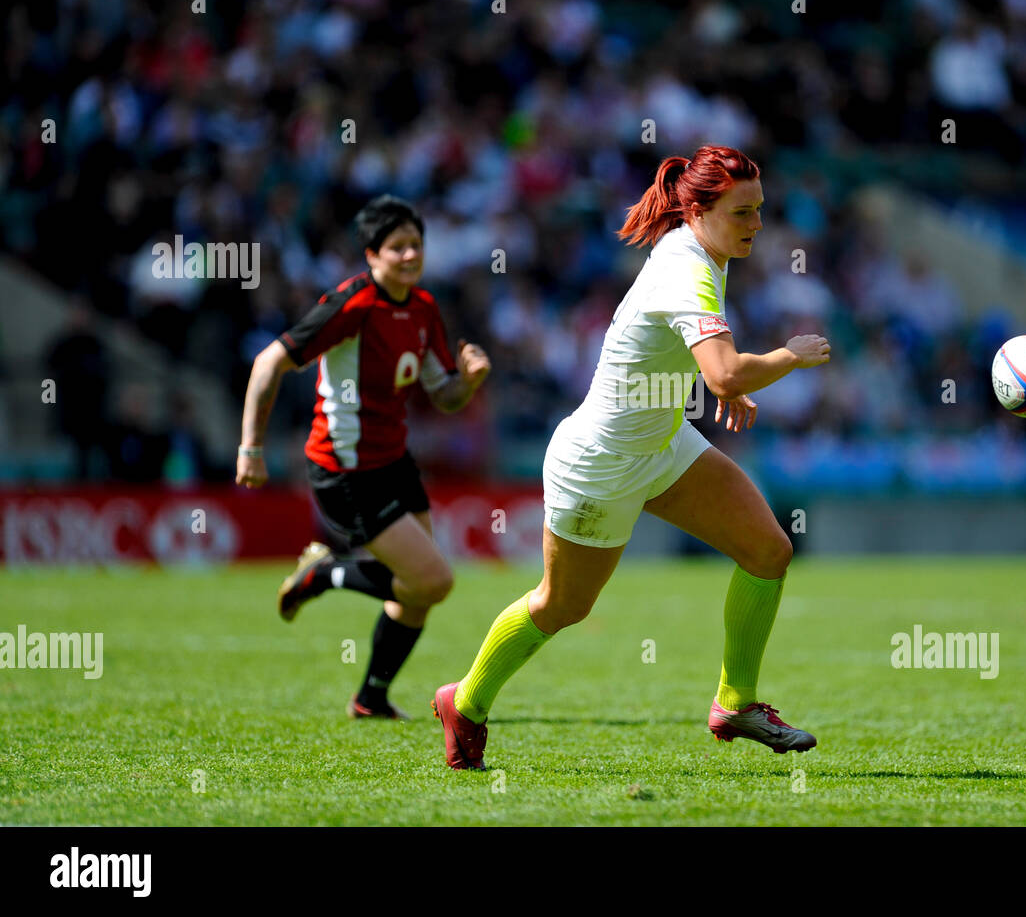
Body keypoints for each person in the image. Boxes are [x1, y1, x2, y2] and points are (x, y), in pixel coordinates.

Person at [432, 145, 831, 769]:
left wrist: (727, 384)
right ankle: (466, 700)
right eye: (743, 212)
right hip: (601, 463)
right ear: (697, 211)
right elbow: (724, 374)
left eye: (759, 209)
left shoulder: (706, 250)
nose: (757, 224)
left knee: (769, 551)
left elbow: (697, 365)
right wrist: (788, 356)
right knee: (562, 606)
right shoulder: (688, 267)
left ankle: (736, 703)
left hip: (662, 443)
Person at [236, 195, 491, 719]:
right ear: (371, 255)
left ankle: (371, 697)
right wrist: (250, 449)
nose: (409, 255)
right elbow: (268, 363)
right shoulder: (351, 305)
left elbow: (442, 395)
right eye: (396, 247)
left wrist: (468, 382)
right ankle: (324, 572)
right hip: (345, 468)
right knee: (434, 580)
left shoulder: (421, 307)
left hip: (394, 462)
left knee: (418, 591)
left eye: (415, 245)